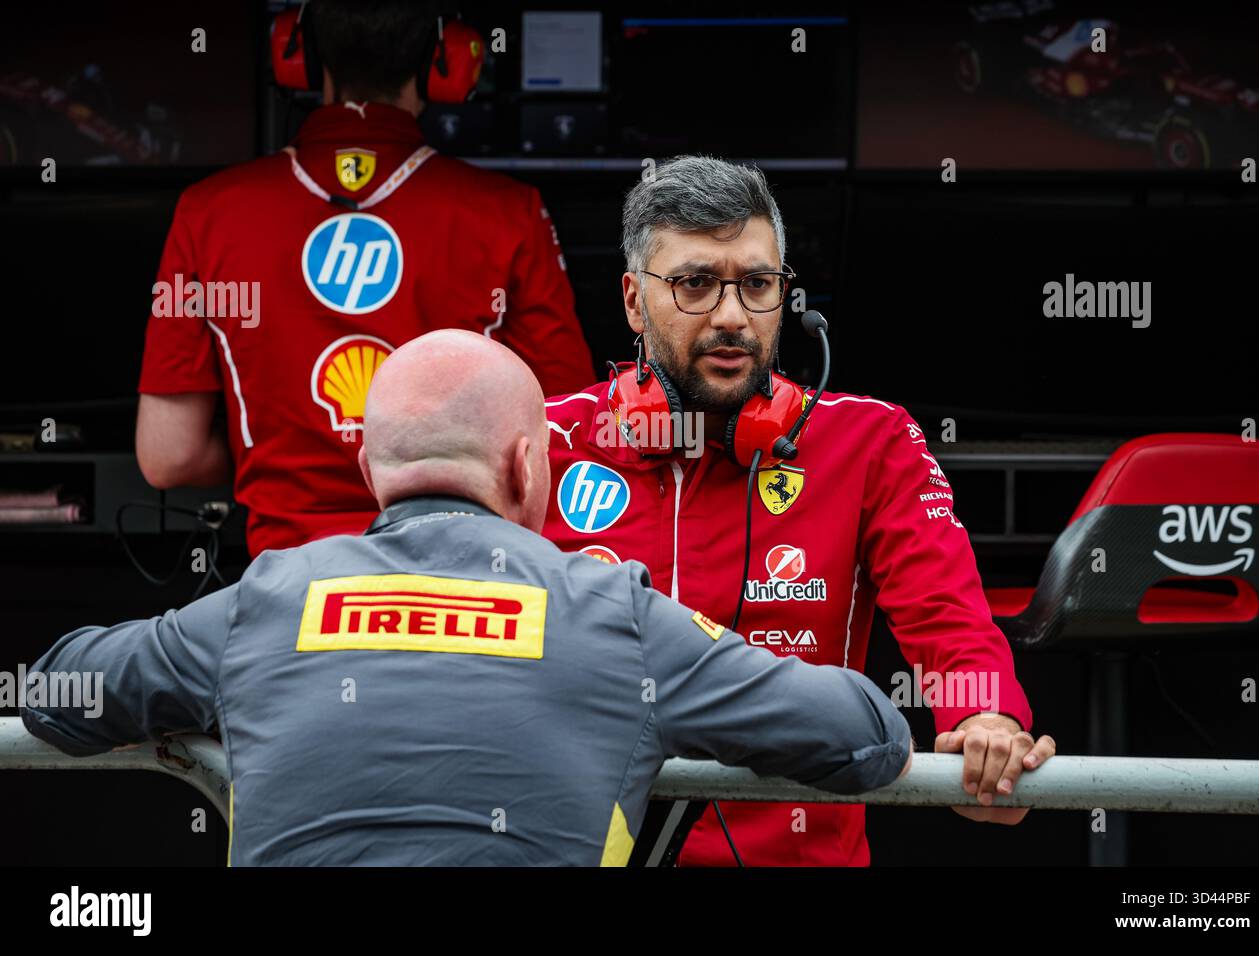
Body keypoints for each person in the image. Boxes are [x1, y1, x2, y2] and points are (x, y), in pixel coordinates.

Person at [21, 330, 914, 866]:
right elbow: (867, 735)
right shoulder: (618, 614)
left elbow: (61, 692)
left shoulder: (269, 598)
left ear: (369, 470)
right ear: (530, 464)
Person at [543, 155, 1056, 866]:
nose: (731, 316)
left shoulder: (869, 441)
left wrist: (985, 716)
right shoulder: (544, 440)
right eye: (694, 284)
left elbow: (949, 622)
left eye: (756, 285)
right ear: (634, 300)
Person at [135, 0, 594, 558]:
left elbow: (168, 455)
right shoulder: (509, 212)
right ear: (445, 61)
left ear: (296, 56)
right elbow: (568, 426)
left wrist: (270, 445)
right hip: (465, 581)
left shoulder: (207, 212)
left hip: (288, 588)